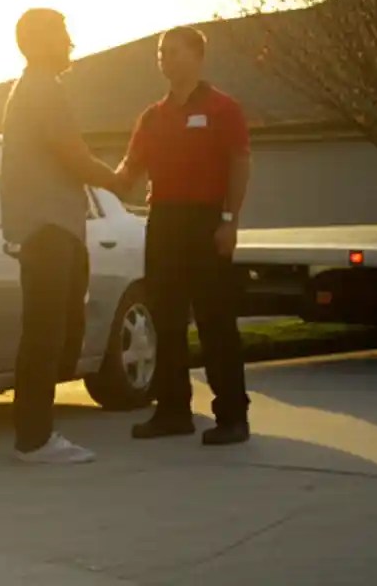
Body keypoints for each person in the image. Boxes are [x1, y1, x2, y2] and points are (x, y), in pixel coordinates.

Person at [115, 26, 253, 446]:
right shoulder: (153, 116)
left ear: (196, 55)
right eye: (160, 52)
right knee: (166, 320)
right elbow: (127, 170)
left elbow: (240, 162)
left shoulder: (222, 108)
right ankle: (173, 410)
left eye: (172, 52)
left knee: (215, 320)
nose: (164, 59)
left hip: (206, 221)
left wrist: (229, 220)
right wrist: (80, 172)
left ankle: (232, 416)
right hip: (165, 222)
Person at [0, 8, 124, 465]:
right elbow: (74, 154)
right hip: (47, 230)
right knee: (45, 336)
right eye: (62, 34)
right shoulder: (42, 91)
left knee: (61, 332)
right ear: (38, 42)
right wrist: (120, 178)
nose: (70, 42)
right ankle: (33, 439)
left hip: (56, 228)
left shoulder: (36, 89)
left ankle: (35, 433)